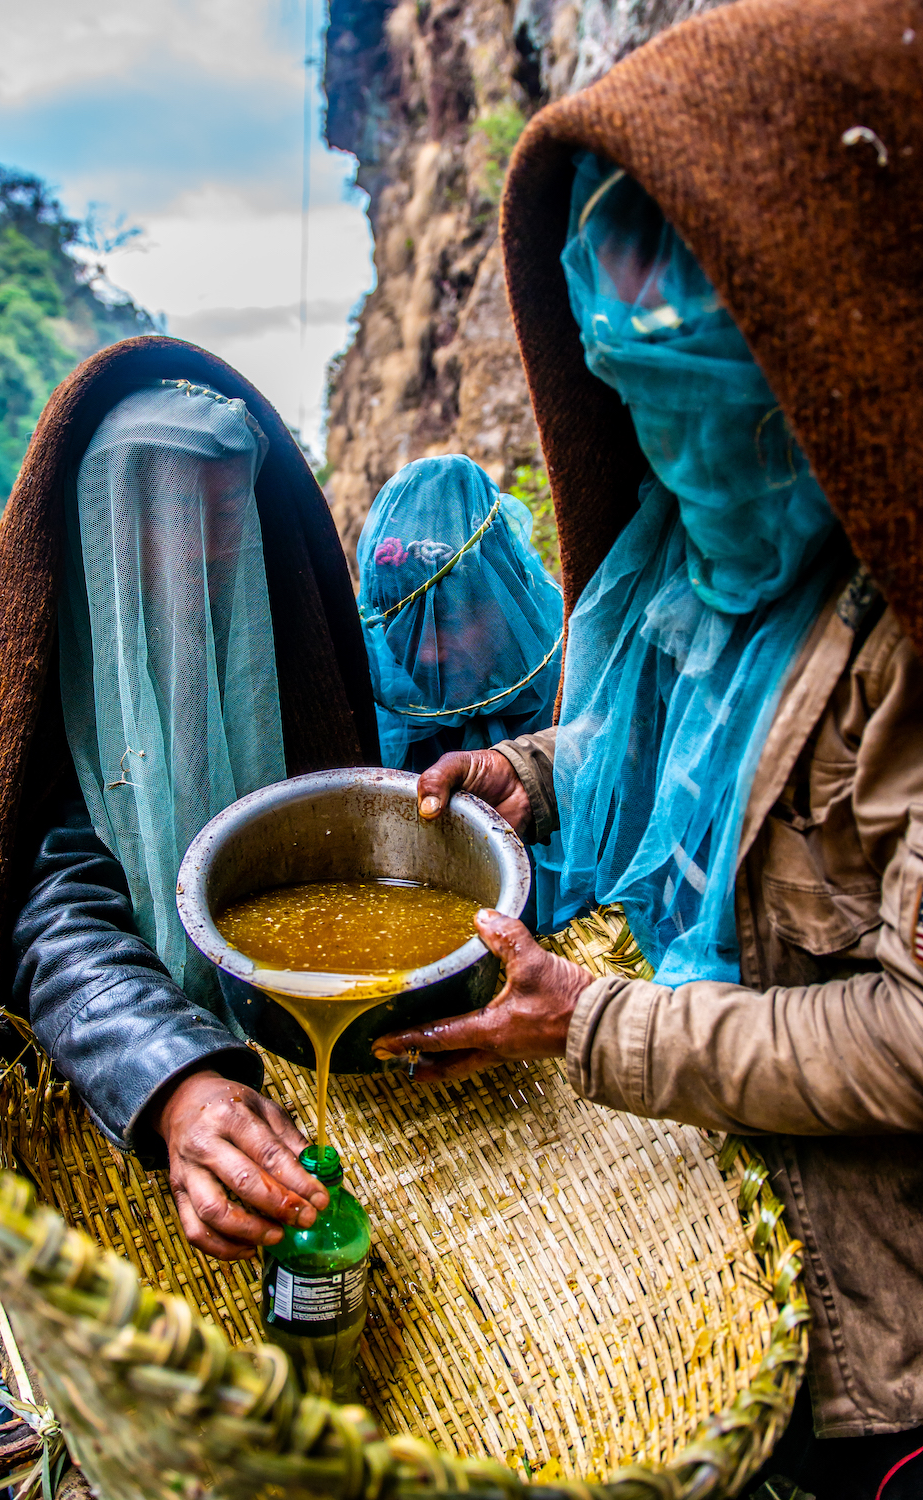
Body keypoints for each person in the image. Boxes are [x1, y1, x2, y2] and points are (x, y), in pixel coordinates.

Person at [373, 2, 923, 1494]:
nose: (676, 469)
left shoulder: (895, 639)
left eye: (713, 423)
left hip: (881, 1332)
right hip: (711, 1202)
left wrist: (599, 1026)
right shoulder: (690, 551)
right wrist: (530, 775)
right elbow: (661, 744)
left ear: (828, 371)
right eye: (644, 419)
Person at [0, 337, 379, 1359]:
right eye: (171, 512)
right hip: (120, 1087)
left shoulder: (263, 628)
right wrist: (176, 1082)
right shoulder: (48, 671)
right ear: (104, 527)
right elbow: (45, 906)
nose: (213, 541)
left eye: (228, 505)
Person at [357, 454, 563, 771]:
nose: (426, 655)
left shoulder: (580, 691)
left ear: (506, 594)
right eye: (403, 630)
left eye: (449, 620)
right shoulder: (383, 734)